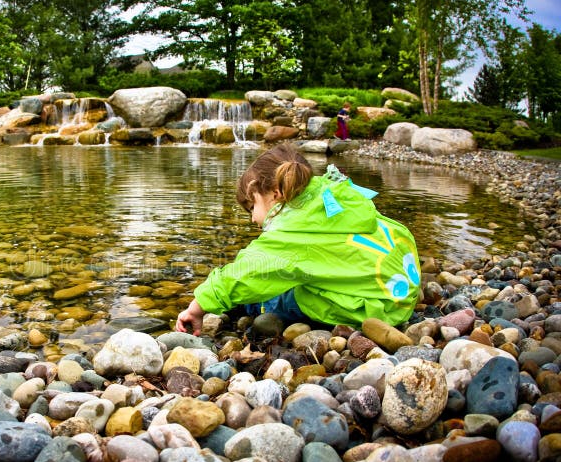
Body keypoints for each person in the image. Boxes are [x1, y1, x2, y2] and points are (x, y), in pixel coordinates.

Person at [175, 142, 421, 336]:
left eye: (252, 207)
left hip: (375, 309)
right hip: (403, 289)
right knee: (296, 270)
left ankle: (251, 307)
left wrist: (197, 307)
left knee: (277, 293)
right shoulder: (335, 197)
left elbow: (246, 272)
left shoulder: (292, 231)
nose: (252, 220)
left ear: (275, 194)